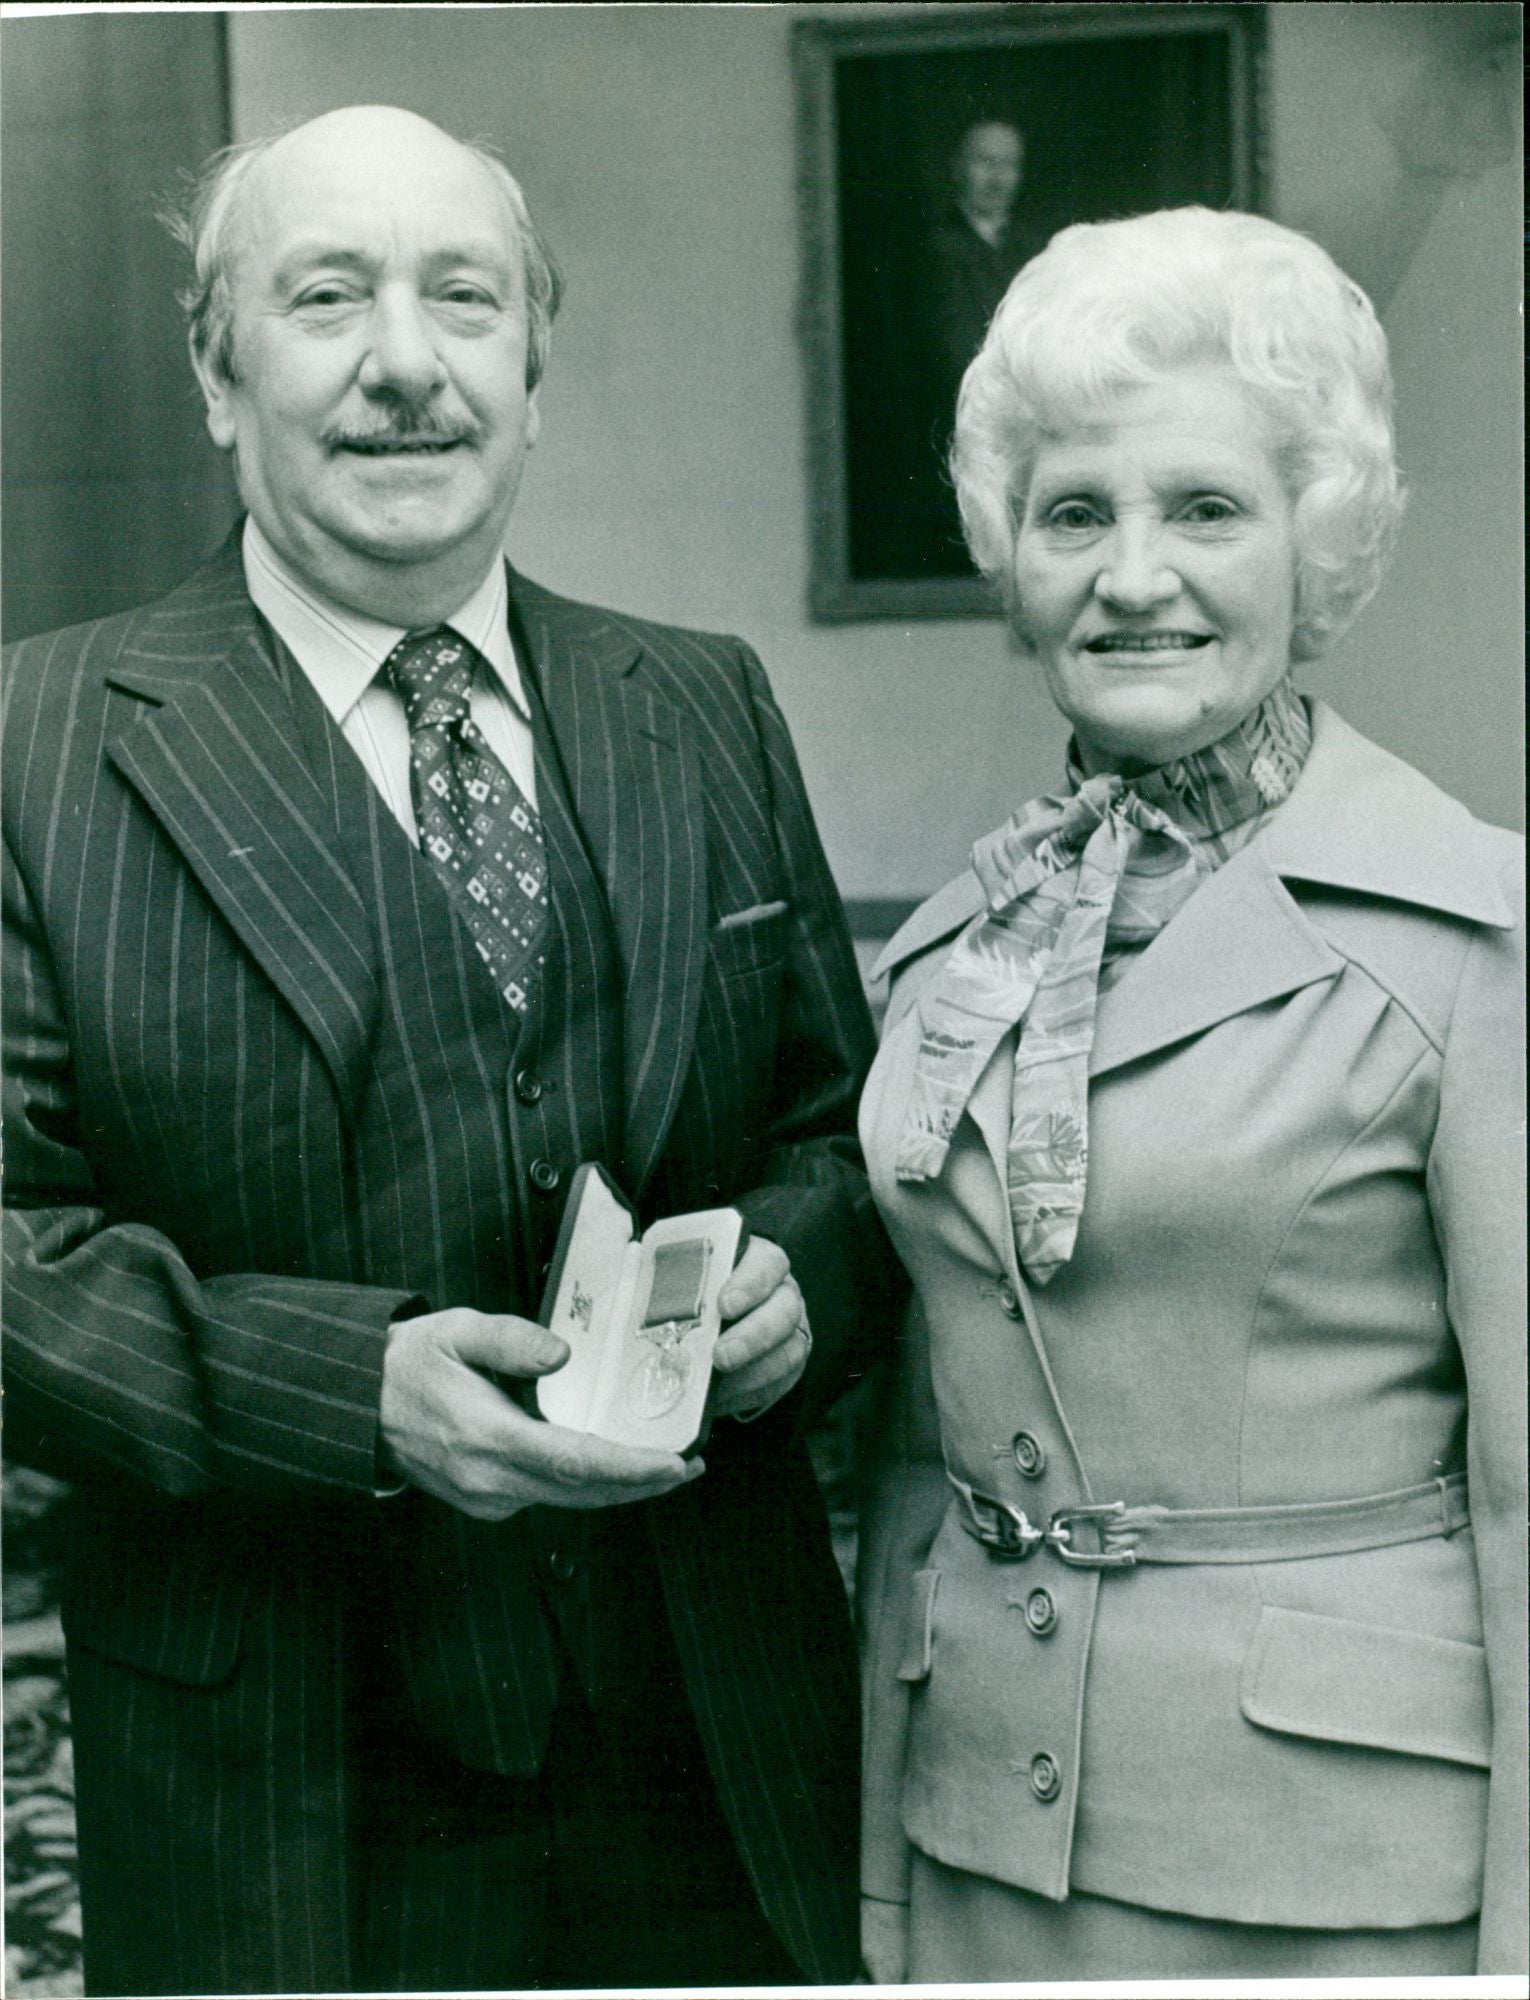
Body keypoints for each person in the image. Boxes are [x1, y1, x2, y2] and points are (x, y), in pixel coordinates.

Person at [2, 104, 895, 1996]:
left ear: (531, 370)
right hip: (283, 1777)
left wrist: (802, 1285)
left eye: (463, 301)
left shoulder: (705, 700)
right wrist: (348, 1394)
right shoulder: (38, 740)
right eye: (327, 297)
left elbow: (839, 1135)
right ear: (214, 369)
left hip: (712, 1747)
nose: (405, 362)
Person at [858, 207, 1525, 1982]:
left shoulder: (1477, 944)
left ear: (1317, 544)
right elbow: (921, 1455)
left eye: (1206, 509)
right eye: (1076, 512)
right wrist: (880, 1886)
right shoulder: (954, 956)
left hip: (1346, 1881)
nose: (1130, 572)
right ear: (1014, 554)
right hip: (983, 1846)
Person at [908, 122, 1045, 580]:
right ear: (958, 169)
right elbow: (949, 351)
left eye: (1008, 164)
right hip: (958, 424)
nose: (997, 177)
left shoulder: (1035, 249)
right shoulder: (931, 249)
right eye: (985, 162)